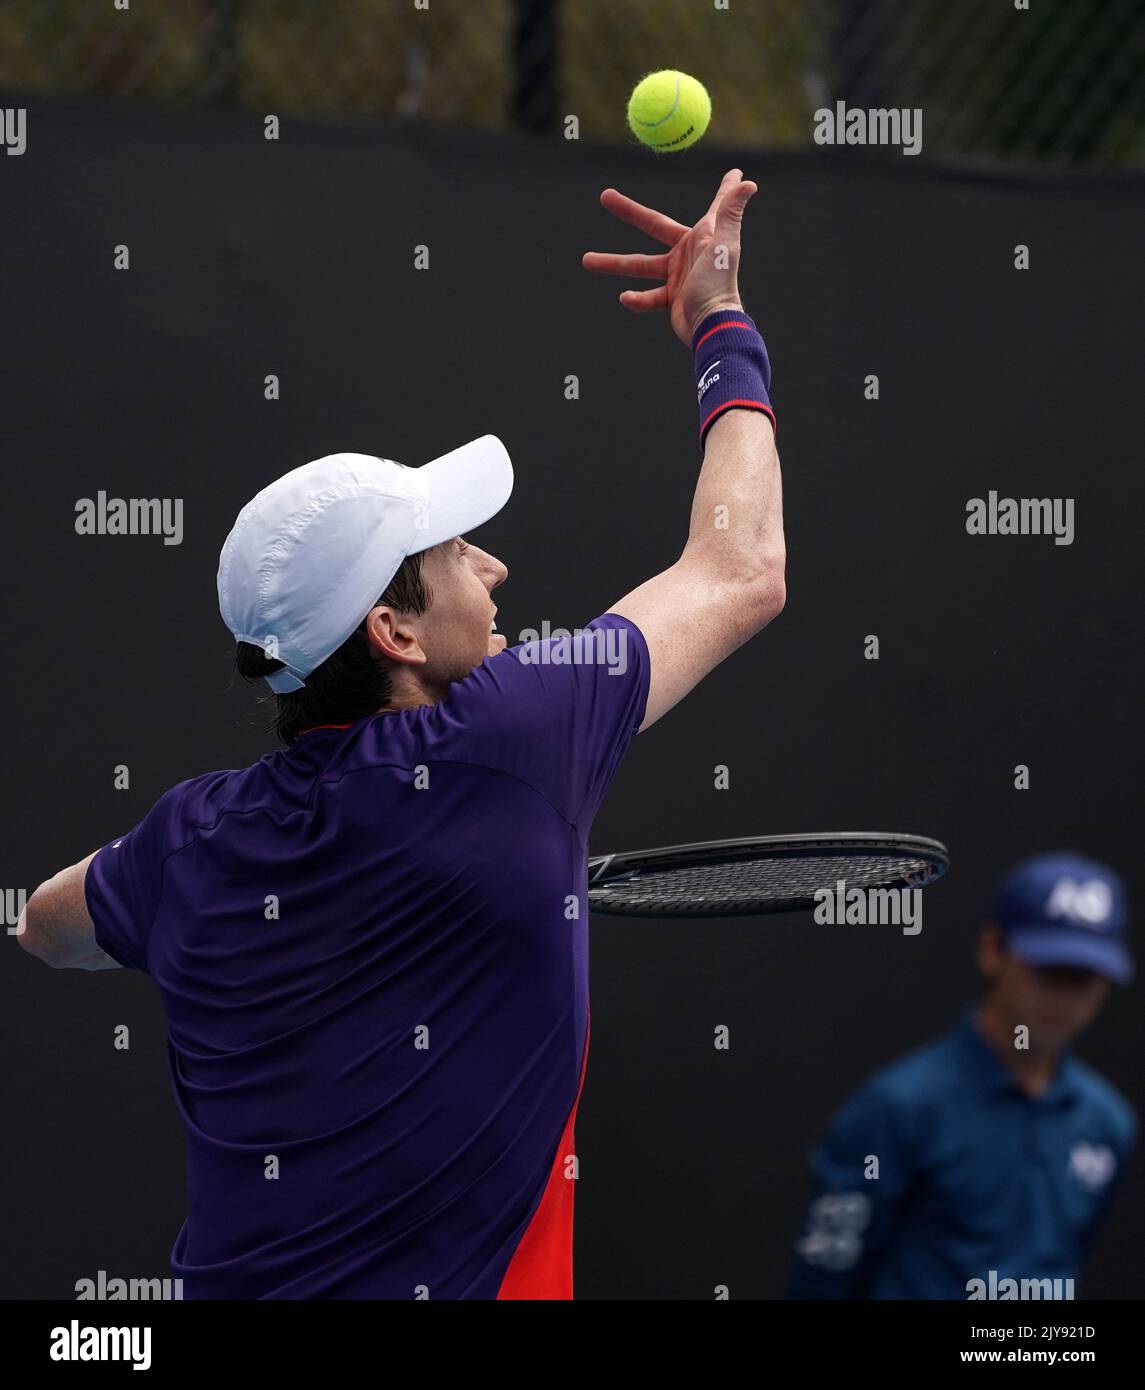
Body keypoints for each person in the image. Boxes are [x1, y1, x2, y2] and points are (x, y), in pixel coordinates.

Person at [19, 169, 786, 1299]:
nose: (492, 564)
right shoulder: (516, 733)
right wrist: (719, 322)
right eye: (456, 556)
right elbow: (740, 567)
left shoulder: (188, 845)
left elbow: (43, 922)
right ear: (394, 630)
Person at [788, 852, 1137, 1300]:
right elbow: (823, 1277)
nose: (1064, 997)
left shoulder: (1108, 1124)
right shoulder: (898, 1108)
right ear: (993, 950)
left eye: (1083, 978)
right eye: (1048, 970)